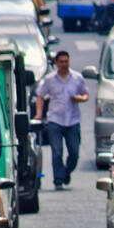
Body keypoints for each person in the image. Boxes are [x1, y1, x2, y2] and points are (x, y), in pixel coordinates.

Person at [35, 50, 89, 190]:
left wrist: (79, 99)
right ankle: (58, 179)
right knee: (57, 151)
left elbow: (86, 94)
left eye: (66, 61)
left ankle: (66, 173)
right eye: (61, 62)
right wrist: (39, 114)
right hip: (55, 120)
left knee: (74, 153)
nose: (64, 64)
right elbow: (40, 95)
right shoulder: (49, 79)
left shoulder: (77, 77)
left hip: (73, 120)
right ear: (56, 63)